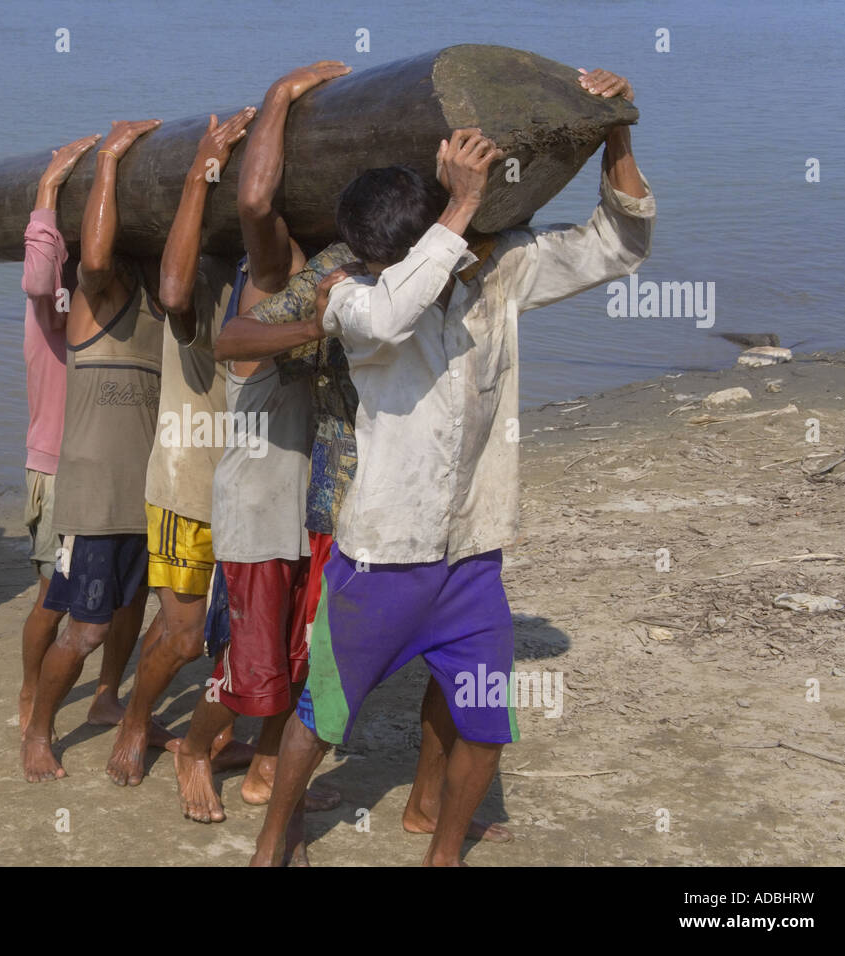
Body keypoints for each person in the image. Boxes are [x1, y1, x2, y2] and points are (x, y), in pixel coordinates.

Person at [250, 68, 653, 866]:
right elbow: (399, 306)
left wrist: (614, 127)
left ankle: (443, 856)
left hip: (471, 557)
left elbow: (621, 244)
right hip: (382, 559)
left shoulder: (497, 278)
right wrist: (463, 204)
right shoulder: (350, 302)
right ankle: (272, 846)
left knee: (484, 722)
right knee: (323, 717)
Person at [172, 62, 350, 821]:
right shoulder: (271, 287)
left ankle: (265, 764)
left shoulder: (341, 279)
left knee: (297, 658)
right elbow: (253, 200)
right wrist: (279, 96)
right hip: (253, 513)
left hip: (308, 512)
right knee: (250, 668)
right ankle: (190, 749)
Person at [102, 106, 259, 788]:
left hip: (250, 497)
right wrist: (202, 170)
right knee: (185, 635)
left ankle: (217, 735)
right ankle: (137, 719)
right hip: (187, 490)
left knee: (236, 636)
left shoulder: (274, 284)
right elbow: (170, 288)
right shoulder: (204, 291)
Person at [21, 118, 169, 782]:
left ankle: (107, 700)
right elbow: (101, 258)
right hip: (91, 502)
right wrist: (108, 158)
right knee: (82, 630)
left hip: (146, 499)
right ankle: (36, 731)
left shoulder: (165, 306)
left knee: (131, 613)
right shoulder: (95, 294)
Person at [17, 132, 102, 734]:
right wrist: (48, 189)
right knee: (53, 593)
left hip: (104, 470)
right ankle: (29, 689)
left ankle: (107, 696)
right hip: (54, 466)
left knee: (113, 597)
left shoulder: (107, 294)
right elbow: (38, 278)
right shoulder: (52, 303)